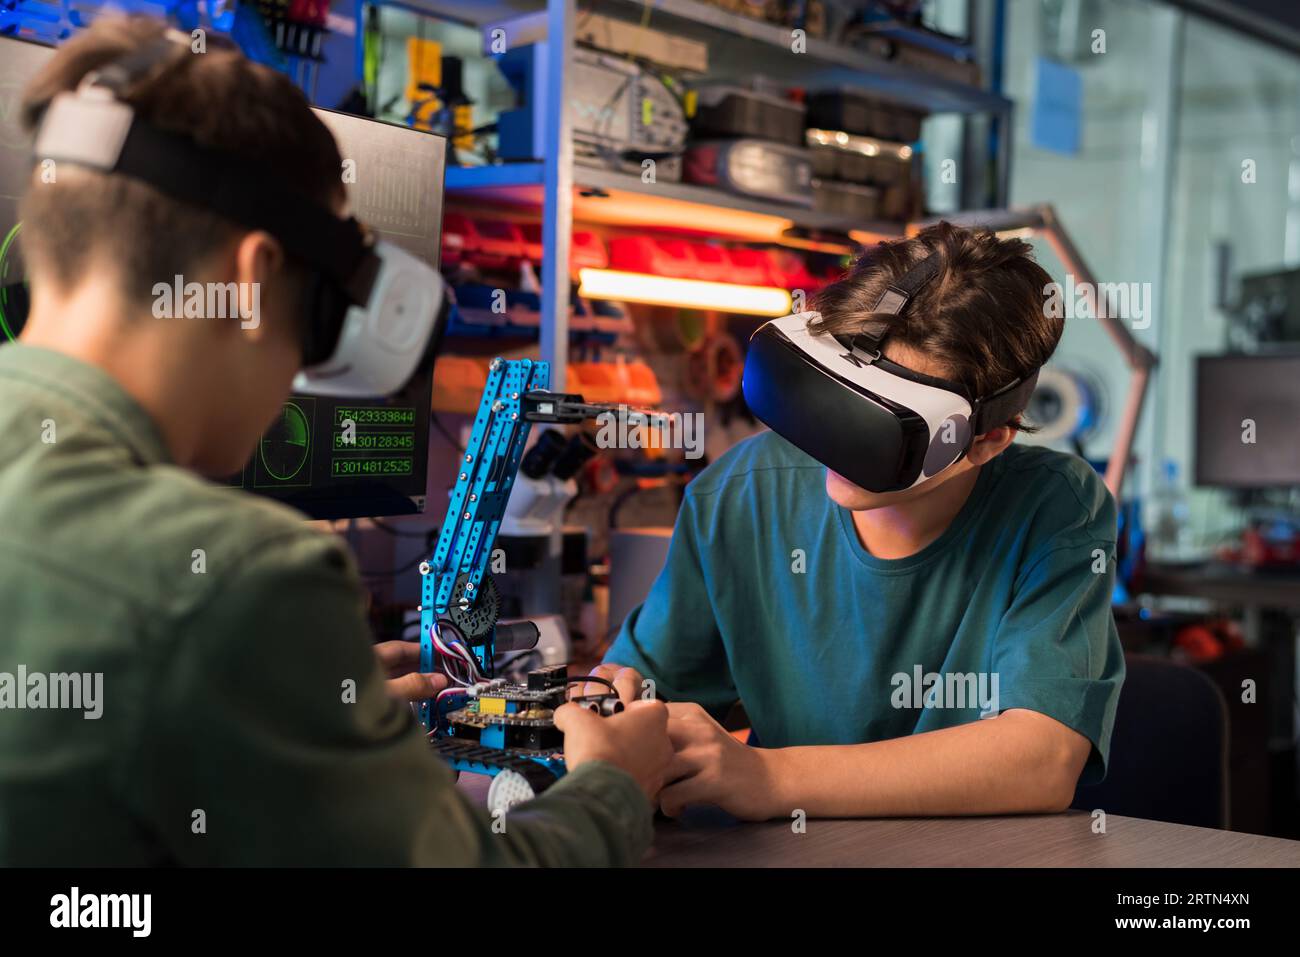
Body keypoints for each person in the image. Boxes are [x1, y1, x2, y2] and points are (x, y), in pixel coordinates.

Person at [0, 15, 671, 866]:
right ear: (254, 278)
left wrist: (269, 707)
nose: (295, 379)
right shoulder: (239, 570)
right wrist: (615, 784)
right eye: (314, 320)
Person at [587, 223, 1125, 820]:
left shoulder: (1055, 509)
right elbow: (644, 688)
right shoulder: (739, 495)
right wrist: (607, 707)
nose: (830, 445)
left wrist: (770, 777)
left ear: (987, 440)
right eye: (829, 395)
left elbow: (1043, 760)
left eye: (875, 428)